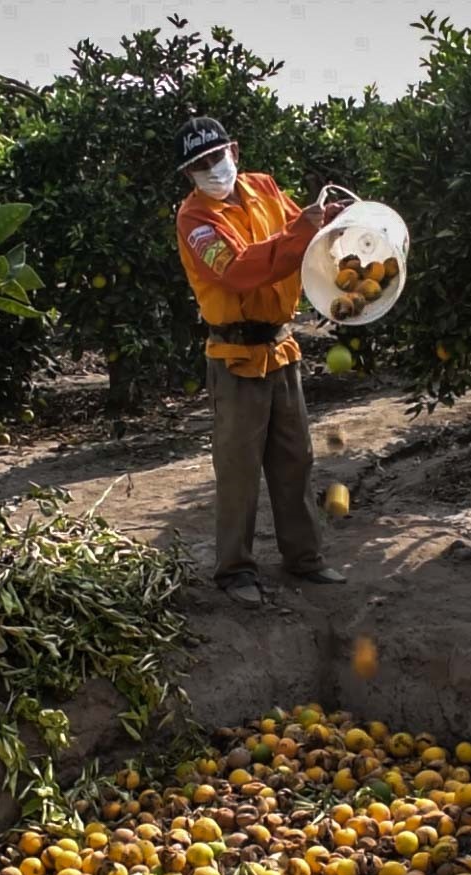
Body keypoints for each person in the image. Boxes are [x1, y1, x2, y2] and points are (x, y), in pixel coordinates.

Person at [173, 116, 348, 608]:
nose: (212, 170)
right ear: (188, 175)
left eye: (216, 157)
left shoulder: (264, 187)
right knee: (238, 469)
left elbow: (304, 238)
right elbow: (241, 271)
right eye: (199, 166)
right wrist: (301, 233)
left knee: (296, 461)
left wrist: (331, 227)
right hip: (234, 357)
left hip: (281, 349)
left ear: (234, 149)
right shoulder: (195, 220)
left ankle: (305, 559)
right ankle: (235, 570)